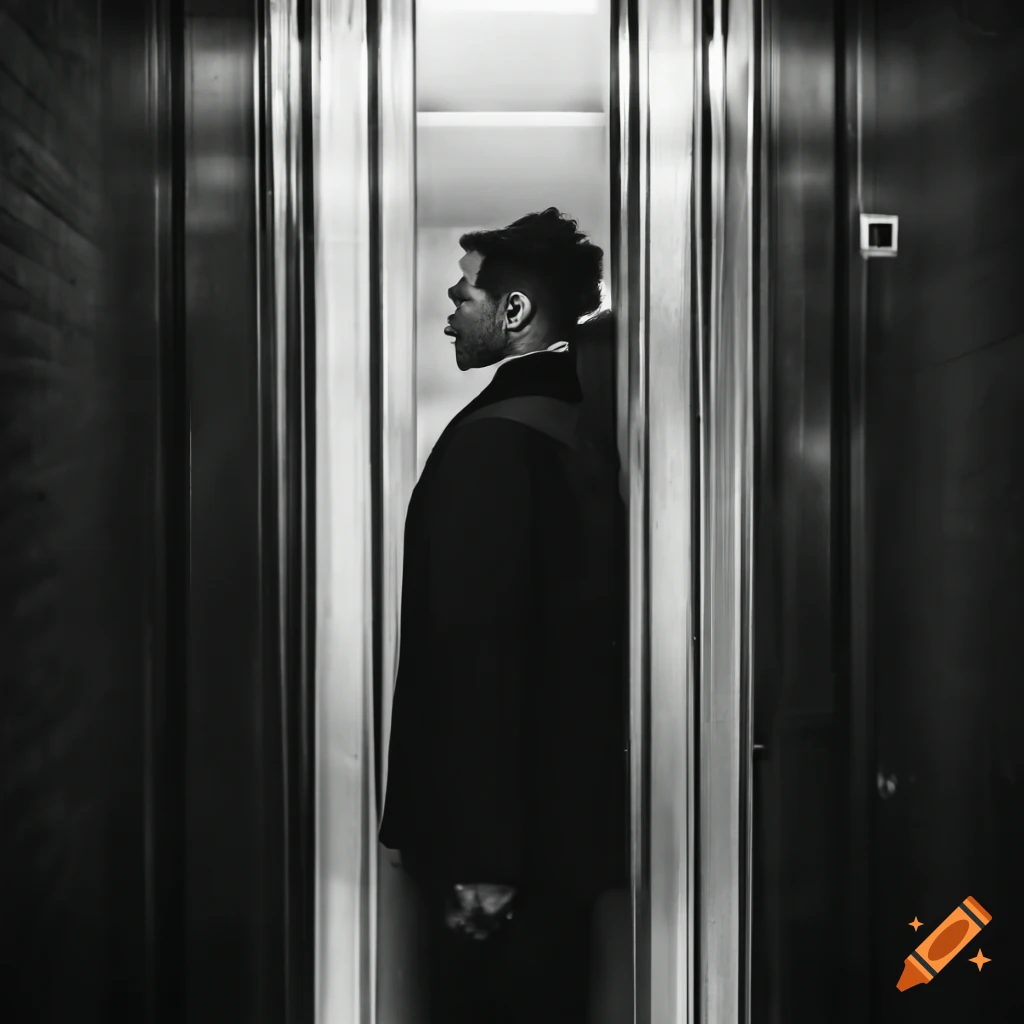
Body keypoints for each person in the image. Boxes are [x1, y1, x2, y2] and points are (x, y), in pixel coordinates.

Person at [379, 208, 628, 1023]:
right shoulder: (570, 424)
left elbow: (481, 654)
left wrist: (485, 859)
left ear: (513, 313)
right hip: (552, 835)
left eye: (463, 295)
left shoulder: (498, 442)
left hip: (504, 856)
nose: (450, 310)